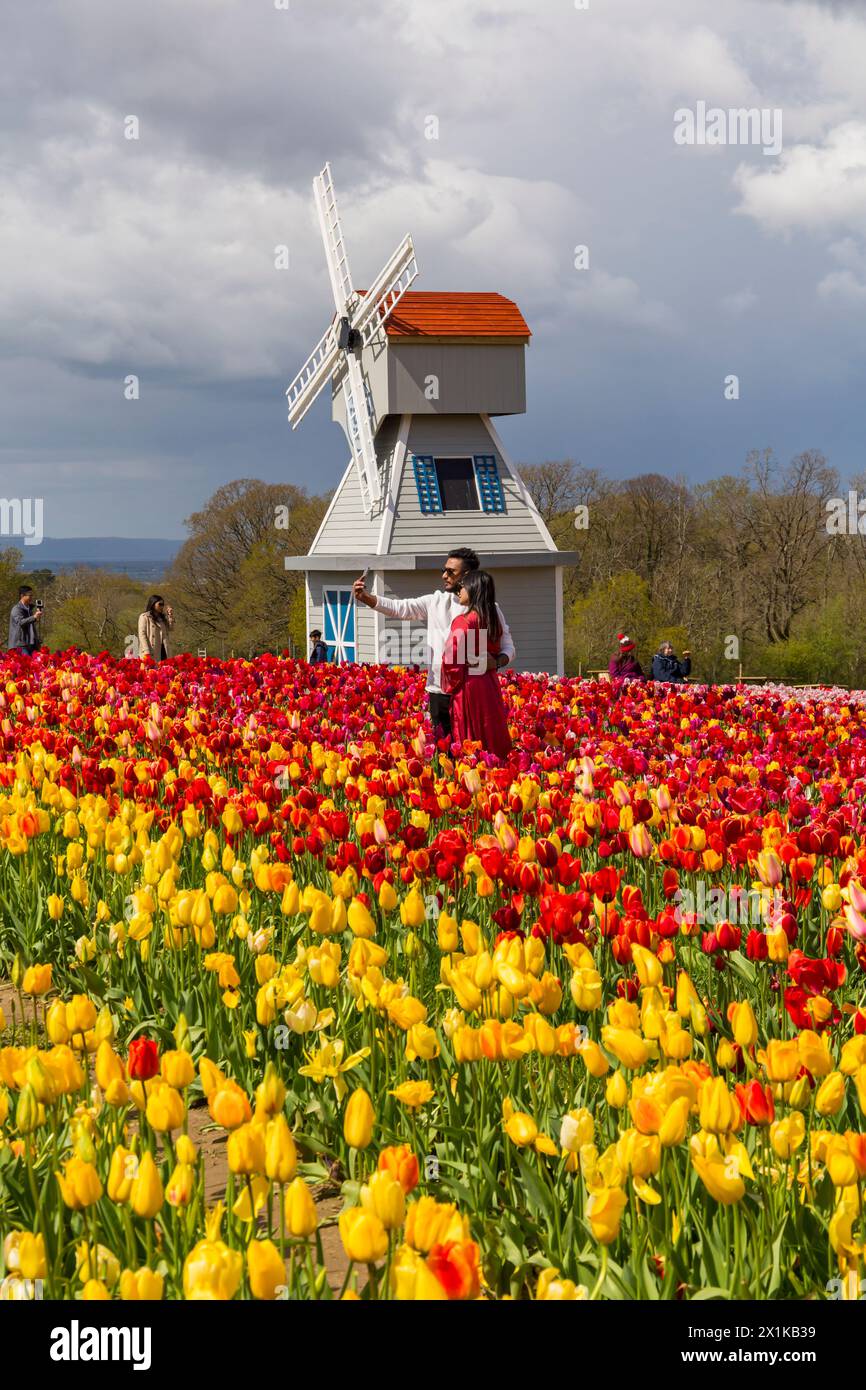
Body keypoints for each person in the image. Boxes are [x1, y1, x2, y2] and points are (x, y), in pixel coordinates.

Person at [353, 547, 514, 744]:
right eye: (444, 570)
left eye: (451, 572)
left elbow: (508, 647)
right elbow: (401, 608)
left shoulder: (489, 609)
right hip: (438, 691)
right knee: (445, 751)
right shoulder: (436, 601)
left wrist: (496, 662)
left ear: (467, 576)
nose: (444, 575)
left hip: (470, 693)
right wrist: (367, 598)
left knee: (470, 750)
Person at [440, 570, 512, 759]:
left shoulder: (464, 622)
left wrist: (451, 684)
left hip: (469, 686)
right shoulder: (493, 620)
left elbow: (450, 659)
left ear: (474, 589)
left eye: (463, 586)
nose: (459, 590)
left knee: (471, 734)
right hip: (489, 683)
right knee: (491, 732)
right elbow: (505, 648)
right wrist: (494, 663)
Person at [137, 594, 174, 662]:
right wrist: (146, 651)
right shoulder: (144, 616)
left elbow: (171, 628)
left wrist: (170, 615)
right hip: (151, 650)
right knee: (151, 671)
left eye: (163, 604)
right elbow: (142, 634)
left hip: (164, 650)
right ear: (153, 604)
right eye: (160, 604)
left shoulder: (162, 618)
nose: (162, 606)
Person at [8, 585, 42, 655]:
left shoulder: (29, 609)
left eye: (32, 595)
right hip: (21, 645)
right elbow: (20, 622)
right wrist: (34, 617)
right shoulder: (16, 609)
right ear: (22, 596)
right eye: (29, 595)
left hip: (32, 644)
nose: (31, 597)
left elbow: (31, 627)